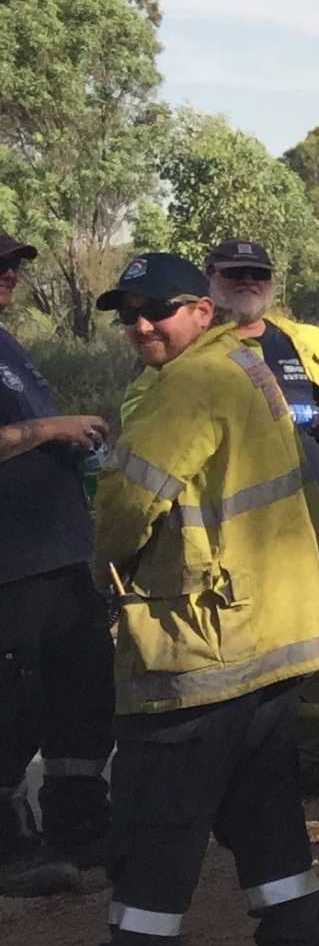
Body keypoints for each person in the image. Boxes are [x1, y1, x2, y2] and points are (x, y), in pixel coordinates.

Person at [83, 251, 319, 946]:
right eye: (127, 315)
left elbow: (129, 504)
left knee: (157, 814)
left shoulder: (187, 385)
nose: (139, 327)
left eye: (155, 311)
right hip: (264, 631)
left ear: (200, 309)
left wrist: (104, 565)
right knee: (261, 802)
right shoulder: (247, 365)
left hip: (201, 639)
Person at [198, 238, 319, 798]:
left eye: (258, 273)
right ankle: (260, 775)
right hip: (248, 535)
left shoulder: (305, 341)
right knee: (263, 655)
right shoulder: (196, 352)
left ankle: (318, 763)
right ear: (210, 279)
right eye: (235, 273)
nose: (248, 282)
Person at [0, 230, 113, 898]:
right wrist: (50, 431)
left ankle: (80, 828)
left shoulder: (10, 347)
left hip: (59, 557)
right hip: (8, 569)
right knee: (12, 708)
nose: (9, 273)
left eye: (13, 263)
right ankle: (11, 850)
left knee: (83, 697)